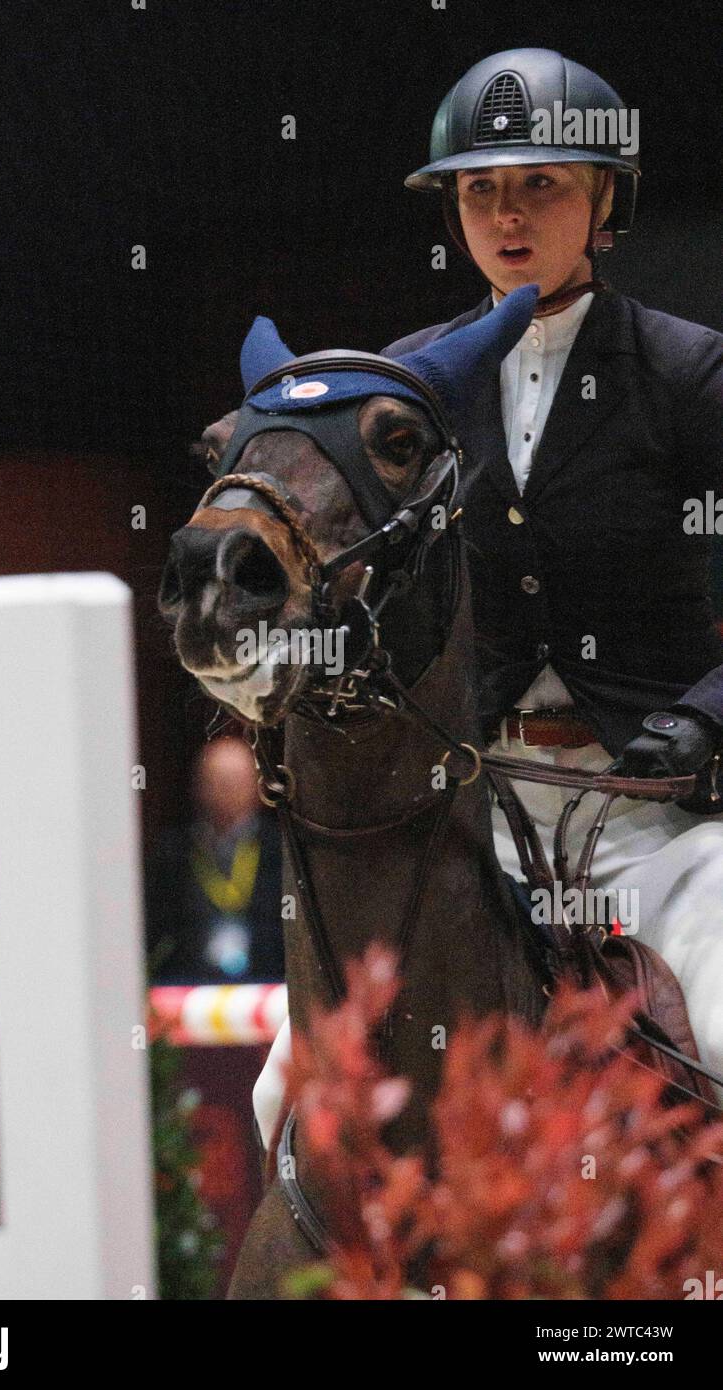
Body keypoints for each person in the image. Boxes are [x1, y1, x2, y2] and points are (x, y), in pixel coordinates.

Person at [253, 46, 723, 1149]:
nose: (506, 215)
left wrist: (703, 712)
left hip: (653, 825)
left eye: (539, 184)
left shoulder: (686, 374)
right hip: (465, 824)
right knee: (287, 1091)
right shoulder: (401, 394)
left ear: (603, 198)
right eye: (479, 190)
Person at [147, 735, 284, 984]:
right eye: (218, 781)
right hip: (189, 985)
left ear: (258, 786)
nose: (228, 790)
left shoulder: (280, 849)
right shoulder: (174, 851)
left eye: (236, 780)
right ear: (199, 786)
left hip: (267, 982)